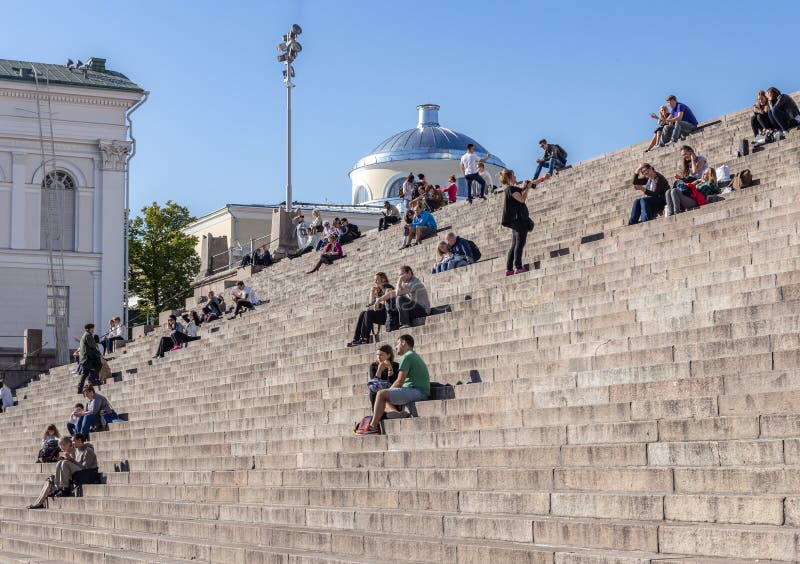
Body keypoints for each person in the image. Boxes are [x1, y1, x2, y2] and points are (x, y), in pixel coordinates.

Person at [356, 334, 430, 435]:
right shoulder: (413, 355)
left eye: (397, 344)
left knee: (381, 394)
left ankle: (373, 427)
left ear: (403, 343)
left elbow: (399, 381)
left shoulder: (406, 357)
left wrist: (386, 392)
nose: (395, 347)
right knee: (383, 395)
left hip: (417, 392)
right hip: (418, 391)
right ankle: (393, 412)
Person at [348, 272, 395, 347]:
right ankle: (356, 339)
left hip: (389, 315)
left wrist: (376, 302)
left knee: (368, 313)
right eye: (374, 280)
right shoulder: (379, 290)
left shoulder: (388, 287)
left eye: (377, 280)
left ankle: (364, 338)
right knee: (363, 313)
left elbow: (383, 302)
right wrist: (372, 291)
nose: (375, 282)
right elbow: (370, 304)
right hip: (382, 313)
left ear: (383, 279)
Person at [500, 169, 532, 276]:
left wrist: (541, 179)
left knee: (514, 244)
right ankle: (518, 267)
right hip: (519, 220)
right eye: (513, 175)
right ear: (509, 178)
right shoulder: (511, 189)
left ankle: (509, 269)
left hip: (515, 220)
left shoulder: (511, 189)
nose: (515, 177)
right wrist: (527, 189)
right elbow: (522, 199)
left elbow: (523, 187)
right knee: (519, 243)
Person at [380, 266, 431, 330]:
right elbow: (393, 293)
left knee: (400, 299)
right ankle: (392, 325)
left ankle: (405, 323)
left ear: (409, 272)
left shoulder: (415, 282)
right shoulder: (407, 283)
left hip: (423, 310)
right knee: (393, 300)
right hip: (414, 309)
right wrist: (379, 300)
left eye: (402, 275)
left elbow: (397, 293)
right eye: (399, 275)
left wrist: (400, 280)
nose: (401, 277)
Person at [77, 323, 102, 394]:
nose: (93, 330)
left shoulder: (84, 336)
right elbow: (93, 346)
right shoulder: (88, 335)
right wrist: (99, 354)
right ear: (89, 329)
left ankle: (79, 389)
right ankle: (92, 380)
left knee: (84, 374)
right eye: (92, 328)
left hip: (83, 358)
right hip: (88, 358)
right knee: (98, 365)